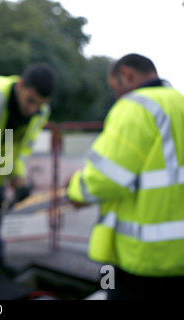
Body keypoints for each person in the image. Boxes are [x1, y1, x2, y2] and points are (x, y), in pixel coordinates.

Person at [66, 53, 184, 299]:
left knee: (110, 289)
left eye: (114, 88)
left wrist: (75, 189)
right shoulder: (179, 102)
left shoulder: (135, 106)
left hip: (139, 258)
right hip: (178, 259)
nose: (117, 96)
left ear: (127, 75)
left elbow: (104, 178)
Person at [0, 63, 57, 278]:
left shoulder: (41, 111)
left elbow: (20, 144)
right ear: (20, 86)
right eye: (30, 101)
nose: (33, 109)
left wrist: (16, 174)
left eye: (40, 103)